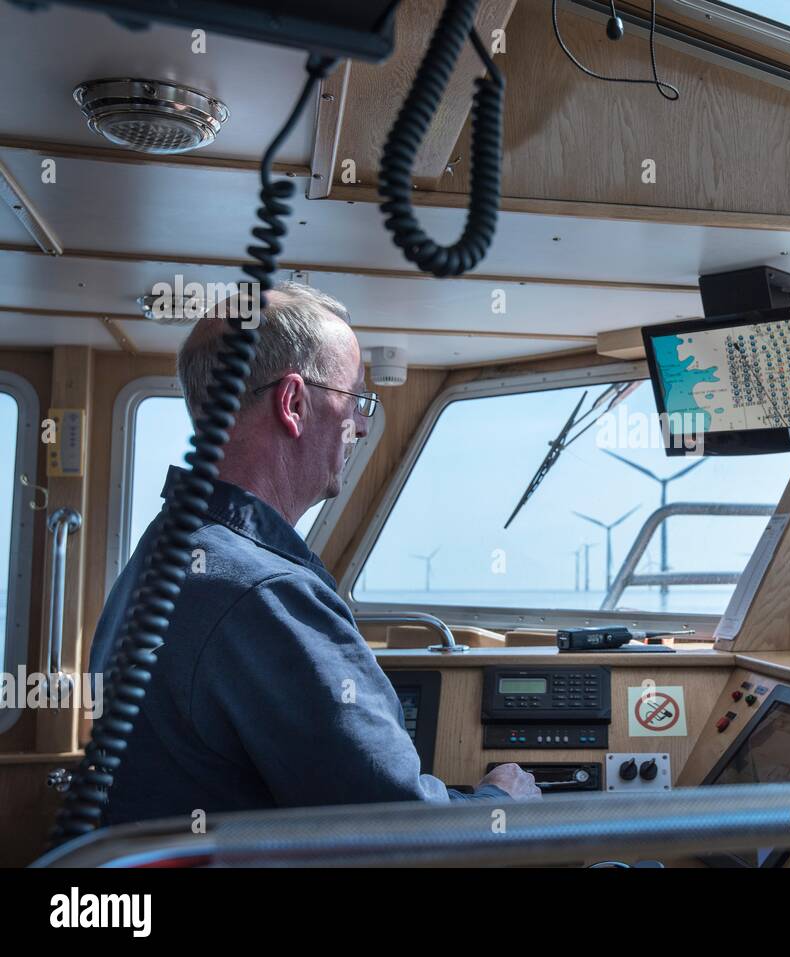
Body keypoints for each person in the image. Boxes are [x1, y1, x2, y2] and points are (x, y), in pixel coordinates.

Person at [88, 281, 539, 825]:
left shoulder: (163, 549)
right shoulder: (263, 596)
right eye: (357, 399)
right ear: (294, 402)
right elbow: (399, 831)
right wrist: (501, 807)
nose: (365, 424)